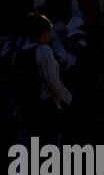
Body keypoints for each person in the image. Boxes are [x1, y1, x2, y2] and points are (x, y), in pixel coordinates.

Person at [10, 12, 73, 140]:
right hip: (44, 107)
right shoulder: (44, 51)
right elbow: (52, 82)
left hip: (24, 106)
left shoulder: (17, 50)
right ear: (44, 32)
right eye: (49, 32)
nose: (50, 36)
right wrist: (69, 99)